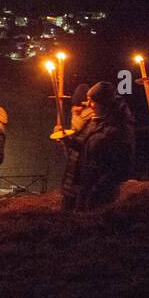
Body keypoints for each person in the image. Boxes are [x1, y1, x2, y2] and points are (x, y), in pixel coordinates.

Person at [65, 81, 135, 210]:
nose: (88, 105)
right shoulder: (97, 122)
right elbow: (85, 148)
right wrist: (67, 140)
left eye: (91, 101)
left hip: (100, 196)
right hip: (86, 188)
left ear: (103, 103)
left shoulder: (119, 129)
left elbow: (121, 168)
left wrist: (96, 191)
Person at [60, 83, 93, 211]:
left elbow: (86, 148)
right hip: (72, 172)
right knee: (67, 207)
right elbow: (70, 153)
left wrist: (67, 141)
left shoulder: (91, 120)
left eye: (78, 106)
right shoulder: (77, 120)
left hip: (82, 173)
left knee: (79, 210)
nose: (75, 110)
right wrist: (64, 140)